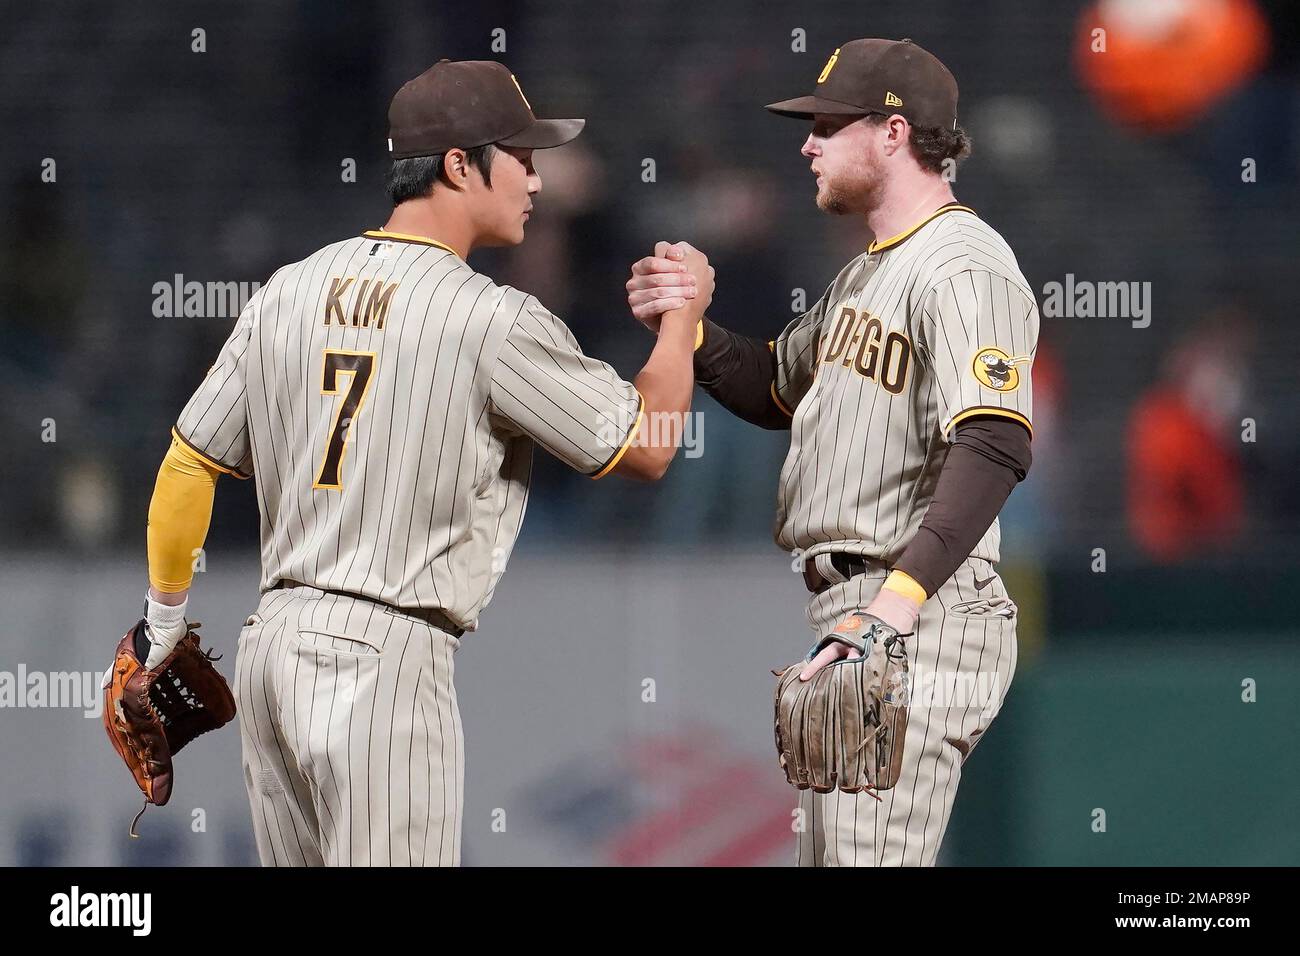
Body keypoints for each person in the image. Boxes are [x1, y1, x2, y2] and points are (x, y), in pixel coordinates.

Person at [138, 59, 710, 866]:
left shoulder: (286, 291)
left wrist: (162, 631)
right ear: (457, 165)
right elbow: (647, 447)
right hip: (385, 653)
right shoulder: (488, 316)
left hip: (273, 645)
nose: (537, 180)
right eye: (521, 156)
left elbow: (187, 467)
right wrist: (682, 323)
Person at [626, 38, 1038, 866]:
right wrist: (690, 331)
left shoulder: (964, 264)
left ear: (893, 133)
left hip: (917, 606)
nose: (807, 144)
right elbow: (777, 386)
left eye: (827, 125)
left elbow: (994, 441)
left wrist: (898, 601)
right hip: (863, 605)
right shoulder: (864, 276)